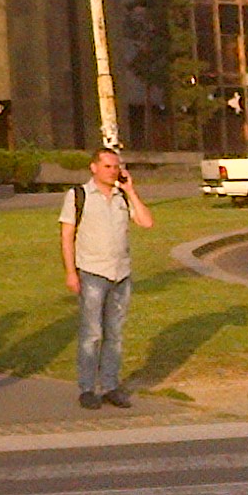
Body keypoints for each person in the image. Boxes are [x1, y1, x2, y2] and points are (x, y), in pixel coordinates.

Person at [62, 146, 154, 409]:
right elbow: (67, 236)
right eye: (107, 166)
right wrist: (71, 272)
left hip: (120, 273)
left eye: (116, 166)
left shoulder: (122, 197)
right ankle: (88, 388)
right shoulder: (78, 195)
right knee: (92, 333)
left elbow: (146, 223)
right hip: (92, 271)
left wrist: (130, 191)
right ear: (94, 168)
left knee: (115, 334)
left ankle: (110, 385)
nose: (113, 171)